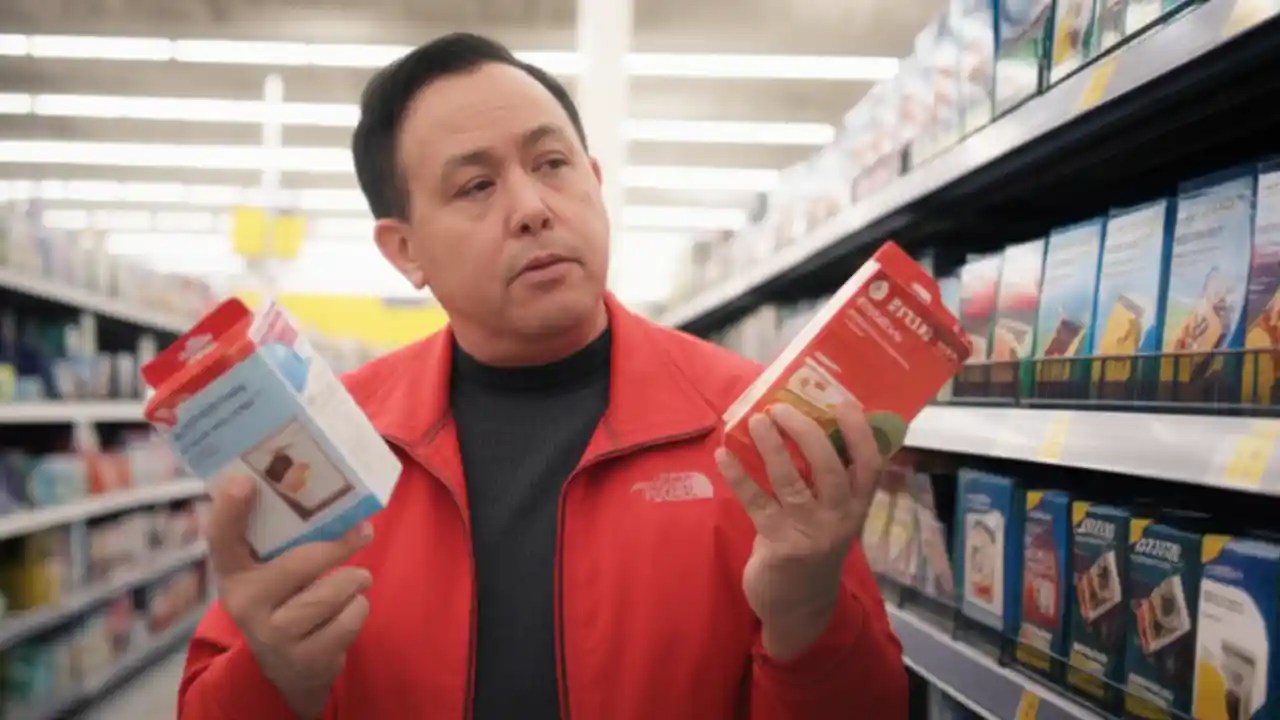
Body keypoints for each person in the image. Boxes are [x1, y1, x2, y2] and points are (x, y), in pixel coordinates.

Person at [177, 32, 908, 720]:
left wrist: (808, 617)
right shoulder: (328, 450)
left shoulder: (754, 421)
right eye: (475, 187)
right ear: (405, 251)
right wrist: (273, 678)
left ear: (592, 182)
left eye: (551, 164)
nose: (531, 208)